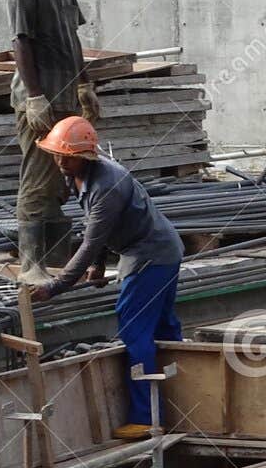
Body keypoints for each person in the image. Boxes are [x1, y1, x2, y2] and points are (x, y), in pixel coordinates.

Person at [29, 118, 185, 439]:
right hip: (159, 250)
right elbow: (97, 230)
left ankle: (146, 418)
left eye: (68, 157)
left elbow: (90, 242)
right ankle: (183, 403)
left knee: (134, 330)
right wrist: (98, 267)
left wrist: (55, 287)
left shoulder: (107, 185)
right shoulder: (79, 175)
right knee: (163, 327)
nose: (61, 162)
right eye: (57, 155)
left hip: (149, 255)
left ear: (85, 156)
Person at [9, 0, 101, 281]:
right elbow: (21, 42)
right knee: (37, 178)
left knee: (62, 179)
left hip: (65, 95)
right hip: (40, 98)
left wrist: (84, 84)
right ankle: (31, 265)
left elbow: (73, 37)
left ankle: (59, 261)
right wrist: (34, 96)